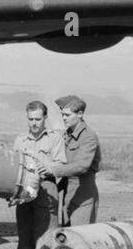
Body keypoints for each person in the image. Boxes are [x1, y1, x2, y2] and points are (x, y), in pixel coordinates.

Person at [11, 100, 66, 249]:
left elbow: (61, 165)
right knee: (24, 235)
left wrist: (47, 167)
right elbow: (14, 167)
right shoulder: (20, 140)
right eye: (31, 119)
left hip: (46, 188)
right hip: (24, 192)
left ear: (45, 118)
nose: (34, 123)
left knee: (46, 237)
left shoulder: (54, 139)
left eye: (38, 119)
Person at [39, 95, 102, 226]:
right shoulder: (67, 134)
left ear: (80, 114)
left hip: (83, 193)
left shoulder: (88, 137)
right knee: (67, 236)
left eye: (67, 115)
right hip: (68, 191)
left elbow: (82, 166)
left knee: (80, 237)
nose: (63, 118)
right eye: (62, 115)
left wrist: (53, 169)